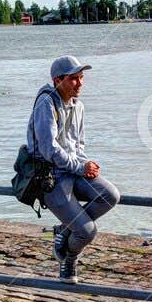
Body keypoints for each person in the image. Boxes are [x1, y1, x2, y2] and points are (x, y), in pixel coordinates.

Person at [28, 55, 121, 282]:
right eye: (74, 79)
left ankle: (64, 230)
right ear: (57, 80)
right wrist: (80, 167)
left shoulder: (78, 106)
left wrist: (85, 166)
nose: (79, 83)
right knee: (87, 231)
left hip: (73, 170)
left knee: (110, 195)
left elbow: (78, 144)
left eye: (81, 78)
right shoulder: (46, 104)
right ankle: (69, 261)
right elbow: (49, 149)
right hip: (51, 176)